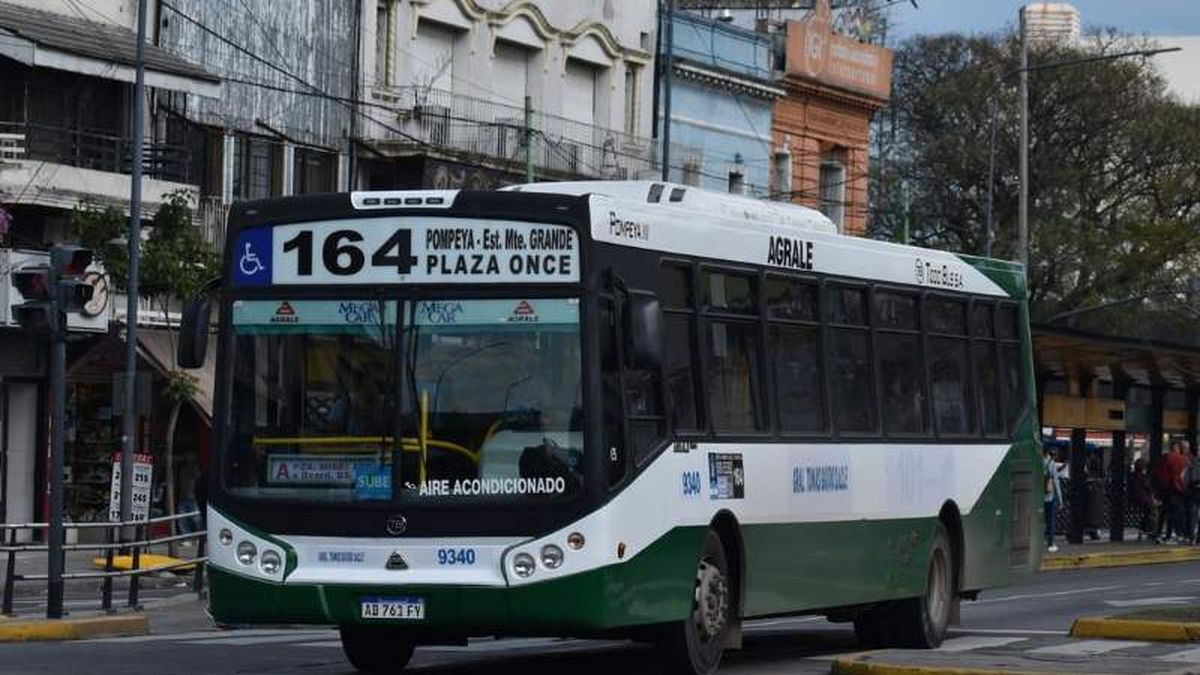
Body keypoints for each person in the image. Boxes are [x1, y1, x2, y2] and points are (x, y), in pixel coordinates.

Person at [1129, 458, 1157, 541]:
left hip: (1135, 499)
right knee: (1154, 512)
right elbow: (1149, 488)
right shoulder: (1142, 477)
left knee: (1147, 513)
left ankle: (1143, 528)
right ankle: (1152, 530)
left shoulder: (1132, 476)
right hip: (1144, 499)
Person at [1043, 446, 1064, 553]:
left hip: (1038, 498)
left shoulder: (1039, 461)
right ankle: (1050, 544)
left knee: (1040, 520)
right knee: (1050, 521)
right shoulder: (1051, 465)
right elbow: (1056, 483)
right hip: (1049, 497)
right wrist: (1060, 501)